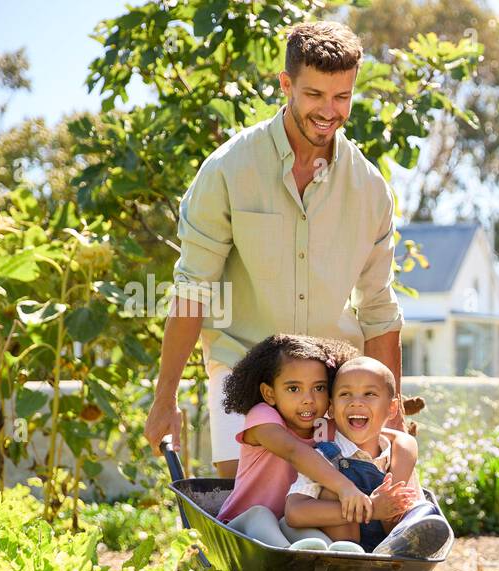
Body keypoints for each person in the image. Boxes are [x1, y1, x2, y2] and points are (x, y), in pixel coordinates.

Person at [143, 19, 405, 472]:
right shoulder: (229, 169)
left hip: (332, 381)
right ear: (286, 84)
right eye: (314, 95)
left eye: (342, 97)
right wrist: (164, 399)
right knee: (249, 519)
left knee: (336, 522)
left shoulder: (369, 189)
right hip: (243, 370)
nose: (329, 111)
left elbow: (379, 308)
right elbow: (194, 289)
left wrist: (393, 414)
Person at [214, 335, 413, 571]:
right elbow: (294, 452)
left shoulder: (326, 428)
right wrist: (346, 489)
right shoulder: (262, 419)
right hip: (246, 530)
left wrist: (399, 438)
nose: (308, 400)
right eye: (294, 389)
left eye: (320, 389)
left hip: (296, 531)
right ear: (269, 393)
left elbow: (373, 437)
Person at [285, 355, 451, 558]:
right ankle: (358, 555)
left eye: (369, 393)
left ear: (391, 408)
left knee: (416, 506)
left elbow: (395, 506)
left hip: (390, 541)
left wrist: (393, 508)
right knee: (334, 491)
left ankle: (402, 541)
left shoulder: (394, 454)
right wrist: (370, 509)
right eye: (345, 394)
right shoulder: (322, 459)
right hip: (344, 550)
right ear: (331, 408)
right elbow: (294, 512)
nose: (356, 402)